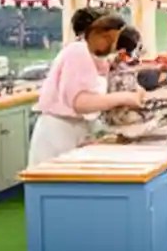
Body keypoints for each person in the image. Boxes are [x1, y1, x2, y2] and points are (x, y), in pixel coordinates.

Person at [28, 12, 143, 168]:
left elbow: (107, 70)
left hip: (74, 130)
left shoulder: (89, 54)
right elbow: (81, 102)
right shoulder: (78, 52)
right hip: (59, 134)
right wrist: (125, 97)